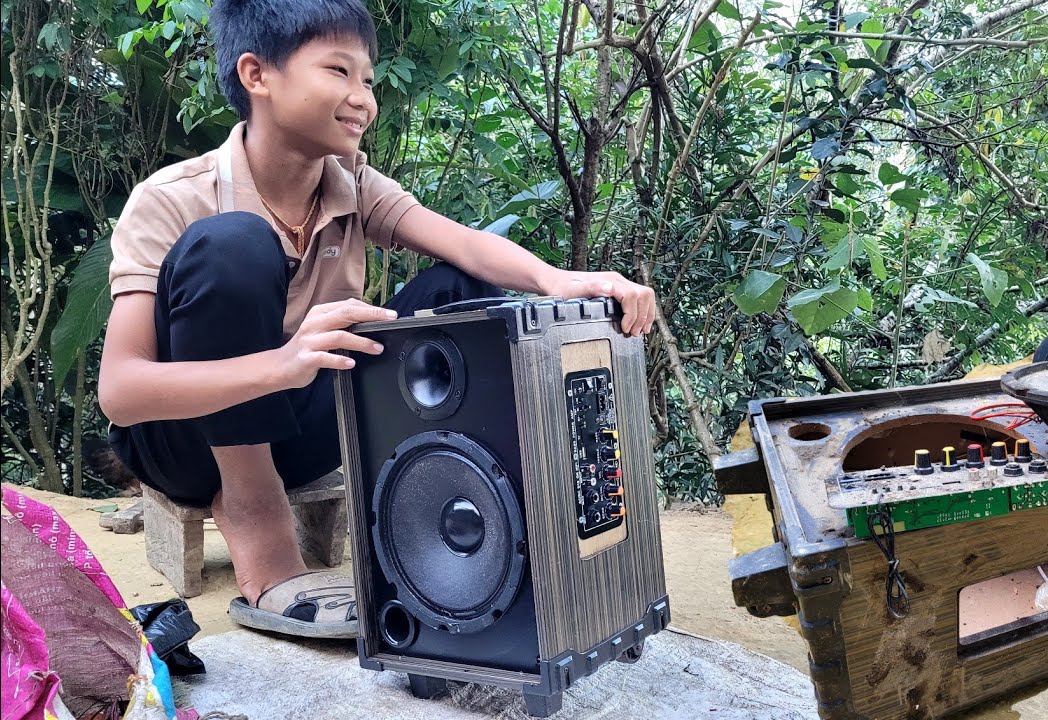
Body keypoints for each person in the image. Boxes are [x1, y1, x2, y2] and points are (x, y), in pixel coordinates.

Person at [98, 0, 656, 640]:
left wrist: (561, 281)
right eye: (337, 71)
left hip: (301, 434)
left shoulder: (352, 183)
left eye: (367, 78)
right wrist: (281, 364)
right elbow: (121, 390)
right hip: (185, 443)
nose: (362, 97)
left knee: (461, 287)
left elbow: (466, 243)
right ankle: (257, 523)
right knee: (233, 246)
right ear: (258, 75)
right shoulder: (173, 198)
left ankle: (447, 513)